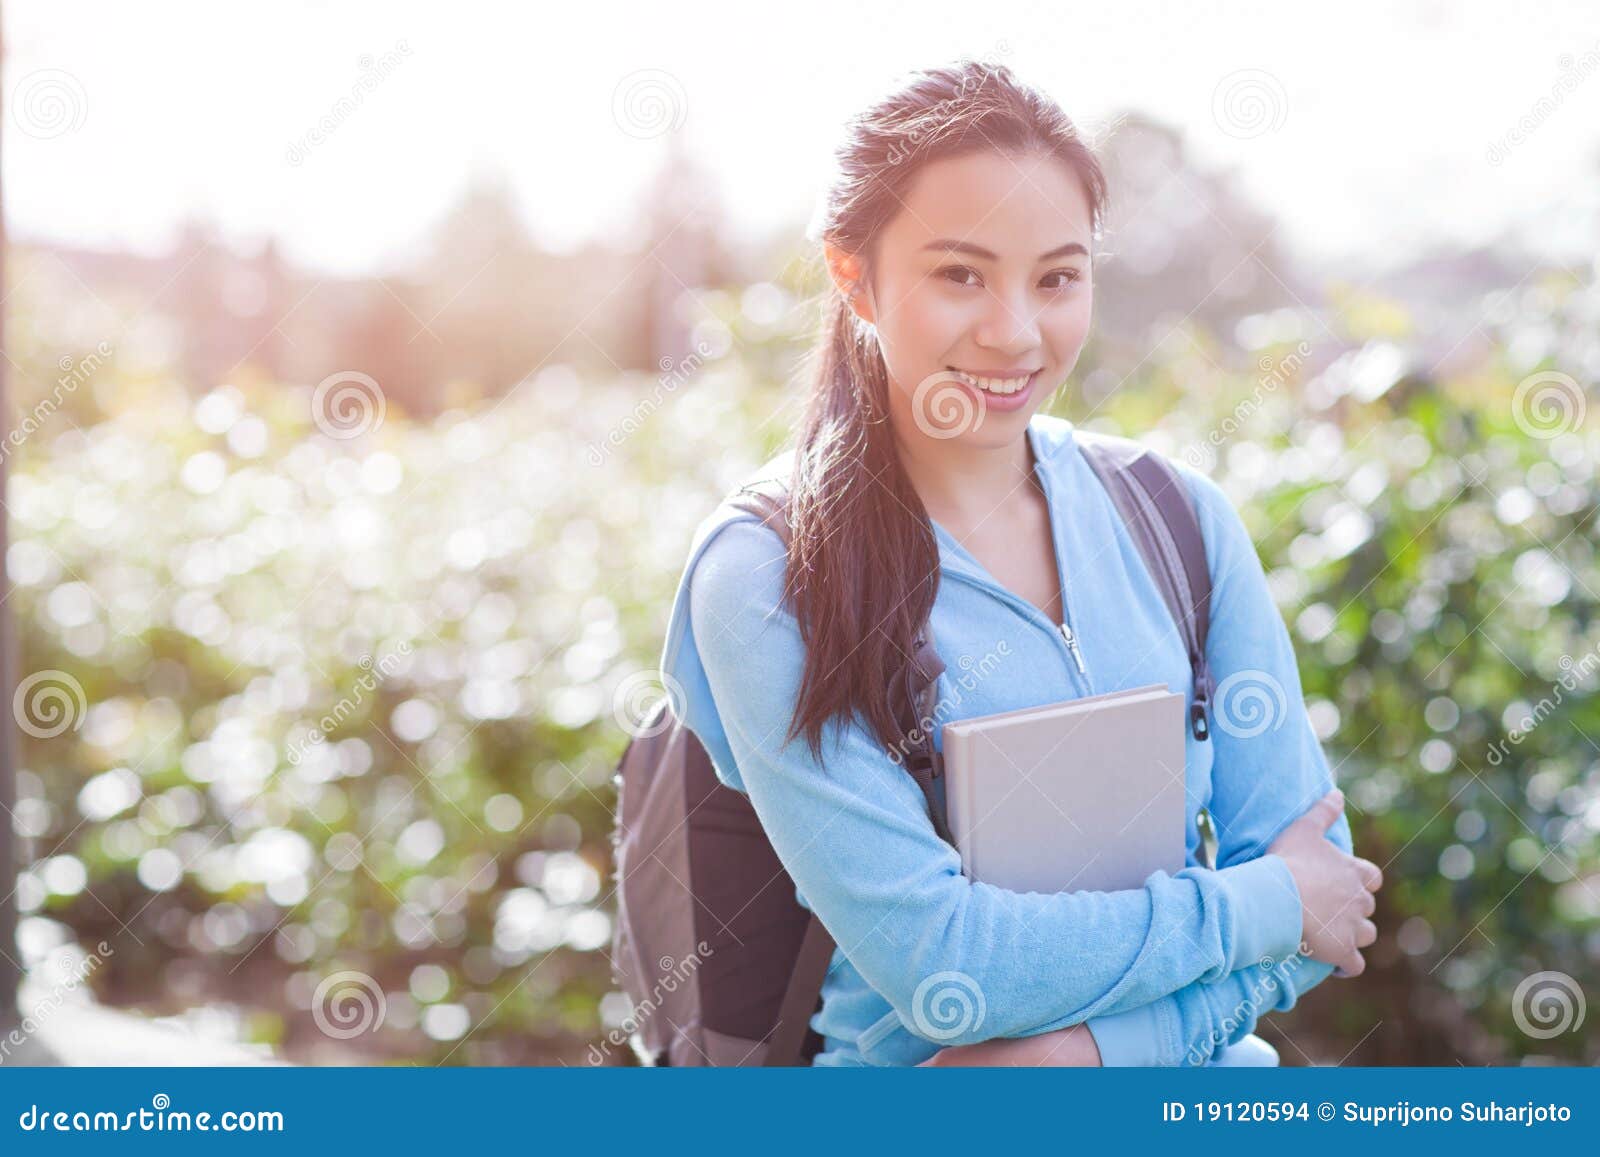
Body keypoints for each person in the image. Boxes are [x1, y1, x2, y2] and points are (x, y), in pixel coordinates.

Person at [658, 58, 1382, 1067]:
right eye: (960, 274)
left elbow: (1329, 903)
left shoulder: (1179, 521)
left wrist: (1071, 1061)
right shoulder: (769, 571)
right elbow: (941, 969)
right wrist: (1260, 909)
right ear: (853, 275)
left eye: (1056, 277)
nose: (1013, 332)